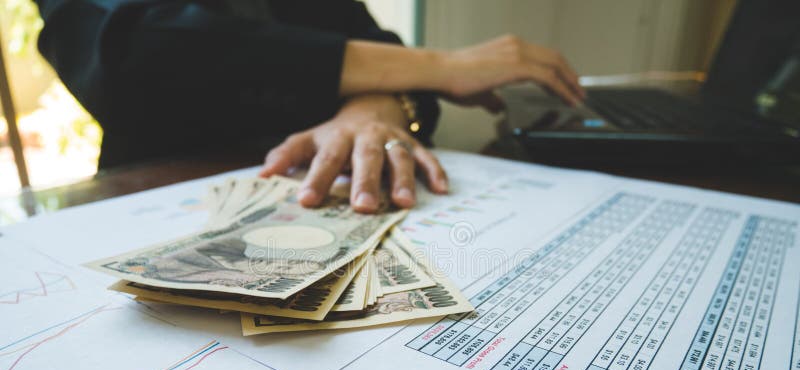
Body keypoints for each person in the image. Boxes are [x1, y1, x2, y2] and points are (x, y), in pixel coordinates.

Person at [34, 0, 584, 213]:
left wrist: (371, 112)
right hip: (157, 200)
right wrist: (440, 65)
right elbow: (128, 52)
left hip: (344, 196)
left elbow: (377, 48)